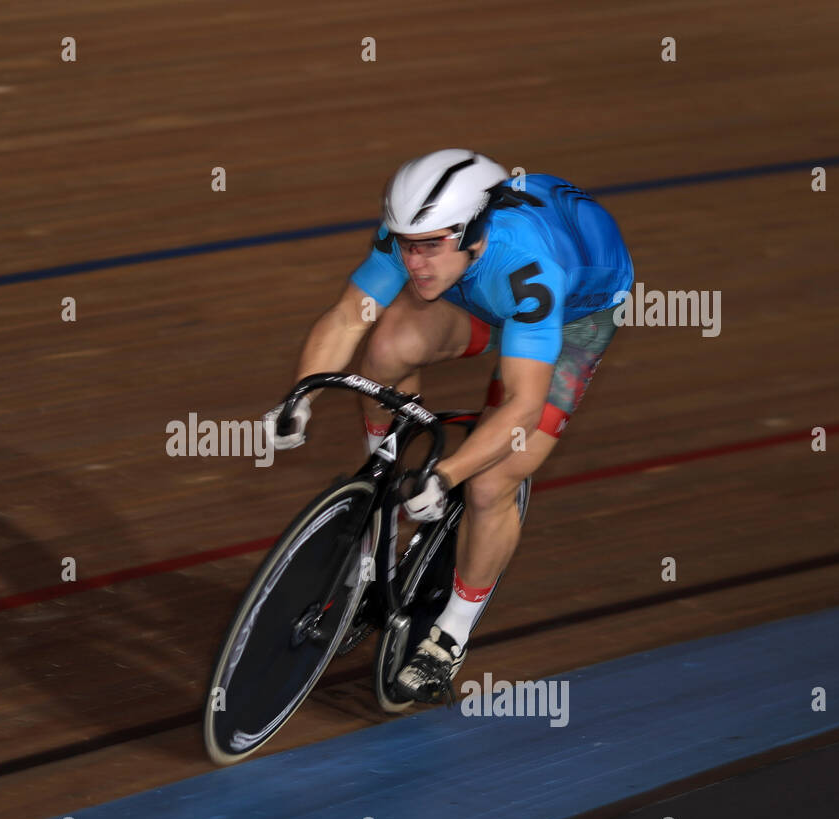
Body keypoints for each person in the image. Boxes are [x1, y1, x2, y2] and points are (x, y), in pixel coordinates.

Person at [263, 148, 634, 703]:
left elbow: (521, 407)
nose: (415, 263)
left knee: (490, 481)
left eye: (430, 246)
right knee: (388, 347)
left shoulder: (532, 269)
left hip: (576, 311)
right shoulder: (423, 237)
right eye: (408, 246)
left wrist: (449, 473)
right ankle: (384, 492)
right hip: (478, 293)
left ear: (473, 232)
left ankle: (451, 632)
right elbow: (349, 317)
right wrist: (300, 395)